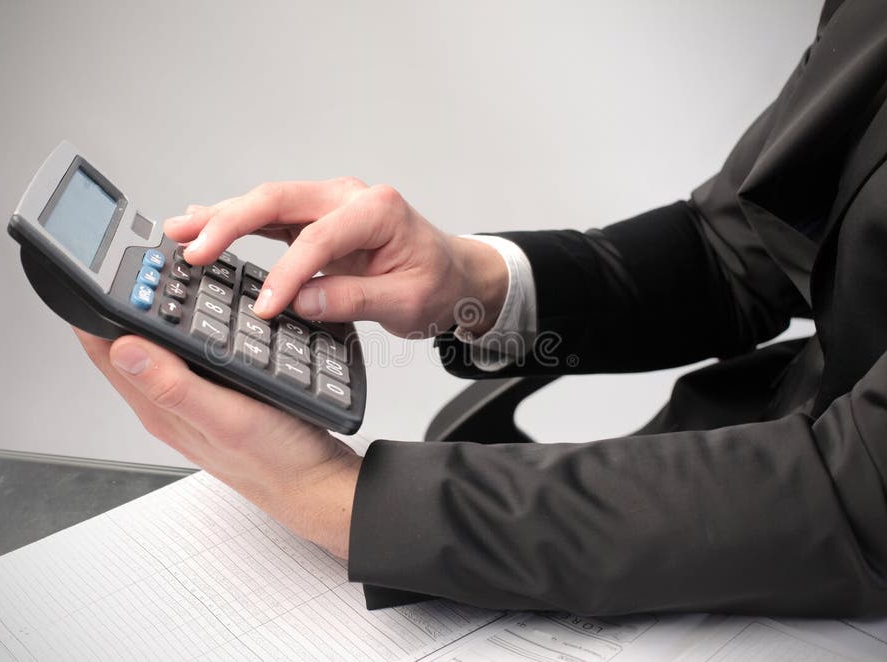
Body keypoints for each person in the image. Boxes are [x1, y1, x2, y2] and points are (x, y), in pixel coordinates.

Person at [76, 0, 887, 616]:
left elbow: (856, 495)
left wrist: (343, 500)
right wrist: (468, 282)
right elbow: (736, 242)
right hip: (714, 475)